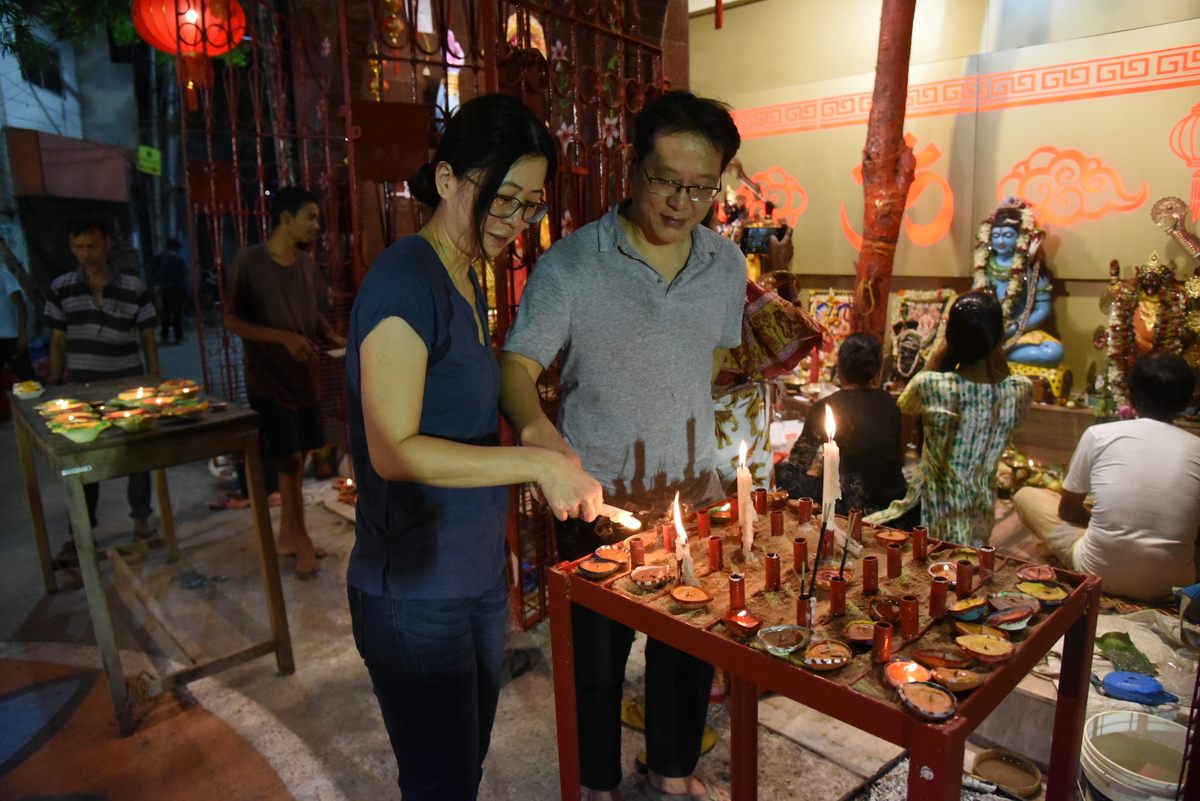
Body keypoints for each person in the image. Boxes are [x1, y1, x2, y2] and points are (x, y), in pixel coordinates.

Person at [345, 94, 602, 801]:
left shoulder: (467, 273)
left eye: (529, 203)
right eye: (501, 196)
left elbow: (471, 396)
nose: (514, 220)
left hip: (476, 574)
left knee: (464, 765)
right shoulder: (405, 281)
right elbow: (392, 448)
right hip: (414, 590)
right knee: (440, 781)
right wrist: (533, 463)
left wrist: (540, 433)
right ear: (448, 178)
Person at [501, 90, 747, 801]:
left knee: (689, 650)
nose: (680, 201)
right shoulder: (573, 265)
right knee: (595, 662)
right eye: (665, 180)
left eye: (700, 187)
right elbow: (516, 368)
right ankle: (597, 784)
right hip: (596, 500)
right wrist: (539, 433)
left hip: (694, 495)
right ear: (633, 167)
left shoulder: (725, 267)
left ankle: (672, 771)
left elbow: (711, 363)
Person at [224, 186, 344, 577]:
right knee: (289, 460)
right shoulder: (250, 262)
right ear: (285, 218)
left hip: (304, 378)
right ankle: (301, 539)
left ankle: (288, 535)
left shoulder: (307, 267)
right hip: (268, 381)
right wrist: (282, 338)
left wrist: (331, 338)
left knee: (301, 456)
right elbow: (232, 320)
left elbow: (312, 318)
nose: (317, 225)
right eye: (310, 216)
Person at [1014, 351, 1200, 601]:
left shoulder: (1099, 435)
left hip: (1098, 572)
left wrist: (1107, 522)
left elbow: (1067, 512)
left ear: (1130, 395)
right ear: (1187, 401)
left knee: (1027, 495)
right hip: (1173, 586)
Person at [866, 291, 1032, 546]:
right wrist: (993, 344)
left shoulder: (933, 385)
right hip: (979, 516)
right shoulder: (1019, 390)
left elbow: (905, 403)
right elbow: (1003, 376)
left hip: (931, 516)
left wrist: (942, 347)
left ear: (951, 338)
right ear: (998, 338)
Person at [45, 218, 158, 541]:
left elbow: (148, 337)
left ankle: (141, 522)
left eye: (91, 245)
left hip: (127, 385)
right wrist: (55, 382)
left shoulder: (134, 287)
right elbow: (58, 340)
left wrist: (153, 379)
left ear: (107, 243)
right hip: (82, 387)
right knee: (82, 461)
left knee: (135, 456)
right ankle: (81, 531)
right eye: (78, 247)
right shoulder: (61, 288)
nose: (86, 253)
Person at [776, 333, 913, 524]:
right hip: (893, 503)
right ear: (876, 371)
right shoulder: (891, 404)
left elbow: (799, 460)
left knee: (783, 473)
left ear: (839, 370)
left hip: (849, 507)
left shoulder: (826, 406)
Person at [972, 198, 1063, 368]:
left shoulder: (1033, 266)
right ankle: (993, 353)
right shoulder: (984, 264)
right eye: (996, 236)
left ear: (1020, 237)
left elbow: (1043, 309)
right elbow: (974, 300)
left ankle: (998, 355)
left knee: (1053, 352)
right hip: (988, 331)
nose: (1000, 242)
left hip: (1018, 331)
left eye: (1007, 235)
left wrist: (1013, 328)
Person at [0, 261, 34, 382]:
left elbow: (20, 303)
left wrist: (22, 333)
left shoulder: (3, 275)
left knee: (28, 380)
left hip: (11, 338)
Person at [153, 238, 188, 344]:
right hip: (177, 287)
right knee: (177, 312)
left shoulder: (159, 257)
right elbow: (185, 271)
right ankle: (178, 336)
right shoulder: (178, 258)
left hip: (164, 287)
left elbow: (152, 270)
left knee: (166, 312)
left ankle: (164, 336)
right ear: (176, 247)